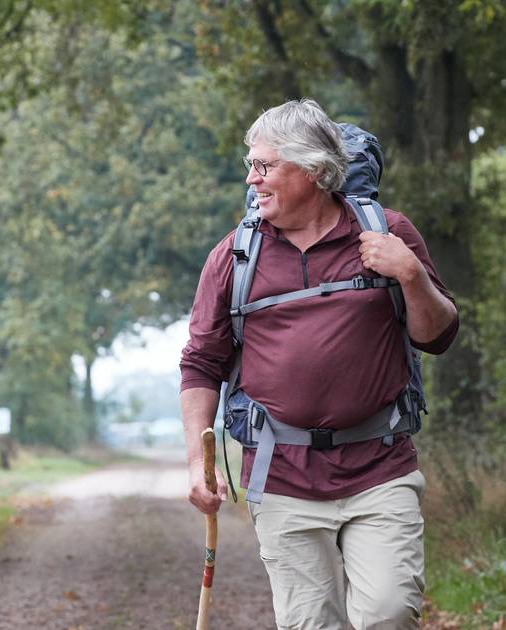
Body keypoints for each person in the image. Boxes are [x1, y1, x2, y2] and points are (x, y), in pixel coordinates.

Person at [180, 99, 458, 629]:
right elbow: (200, 364)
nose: (251, 179)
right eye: (250, 165)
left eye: (264, 166)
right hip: (281, 474)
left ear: (311, 169)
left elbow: (439, 336)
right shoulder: (235, 256)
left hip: (380, 468)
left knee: (389, 613)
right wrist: (199, 464)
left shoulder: (388, 232)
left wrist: (412, 276)